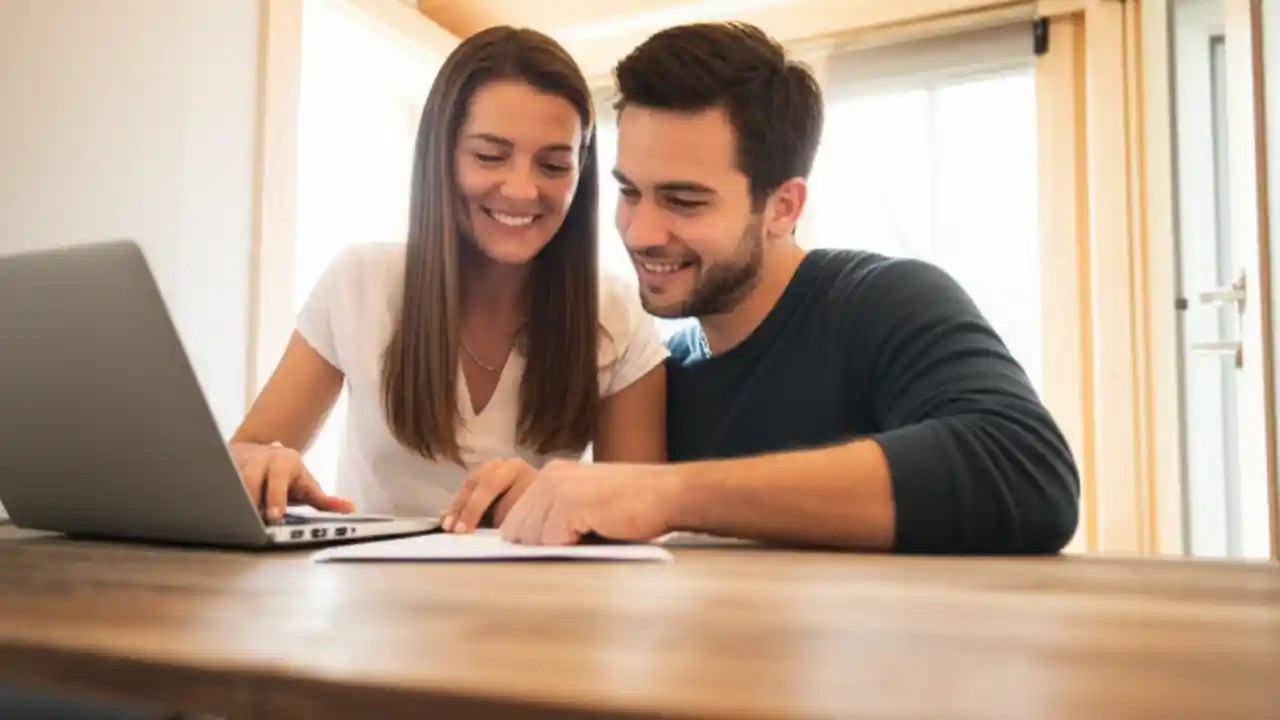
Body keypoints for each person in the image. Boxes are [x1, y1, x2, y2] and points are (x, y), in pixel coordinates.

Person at [456, 22, 1079, 553]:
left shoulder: (884, 302)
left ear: (782, 207)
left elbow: (1028, 472)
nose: (640, 231)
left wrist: (662, 493)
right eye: (629, 191)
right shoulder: (662, 375)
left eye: (684, 200)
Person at [229, 27, 667, 528]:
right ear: (442, 154)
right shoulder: (360, 284)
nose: (523, 190)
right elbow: (246, 451)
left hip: (540, 600)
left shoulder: (614, 316)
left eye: (553, 165)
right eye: (489, 155)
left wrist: (557, 499)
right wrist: (261, 464)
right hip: (373, 597)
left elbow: (643, 519)